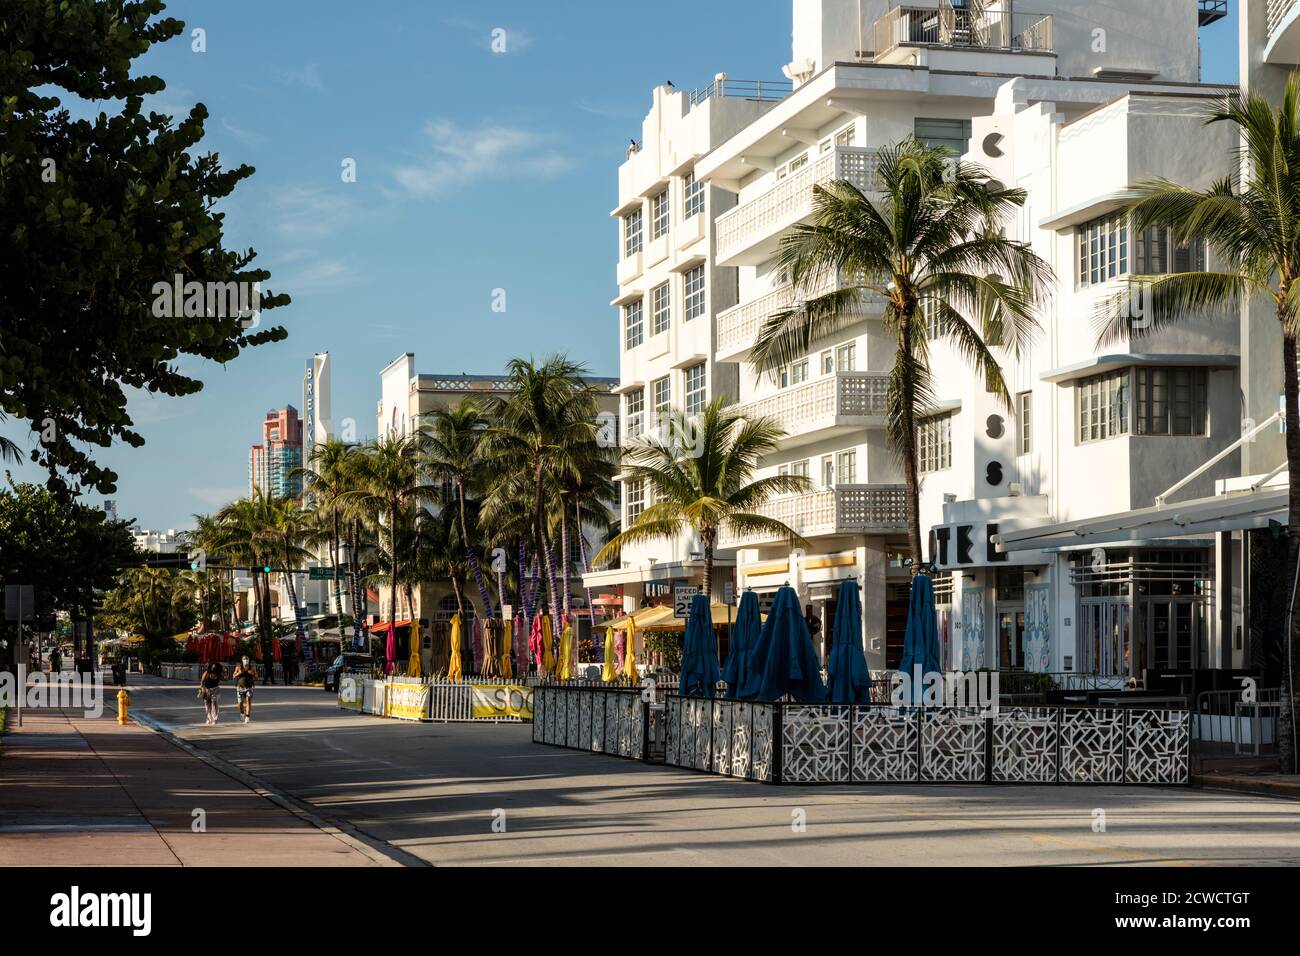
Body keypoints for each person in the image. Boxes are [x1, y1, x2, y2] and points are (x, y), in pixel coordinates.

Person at [232, 656, 256, 723]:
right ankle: (242, 712)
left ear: (249, 660)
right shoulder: (238, 667)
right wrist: (238, 673)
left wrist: (253, 673)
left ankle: (247, 717)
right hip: (240, 687)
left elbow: (257, 676)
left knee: (248, 700)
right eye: (244, 659)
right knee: (240, 703)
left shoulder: (252, 667)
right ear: (242, 660)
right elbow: (233, 676)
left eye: (247, 659)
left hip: (249, 687)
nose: (245, 660)